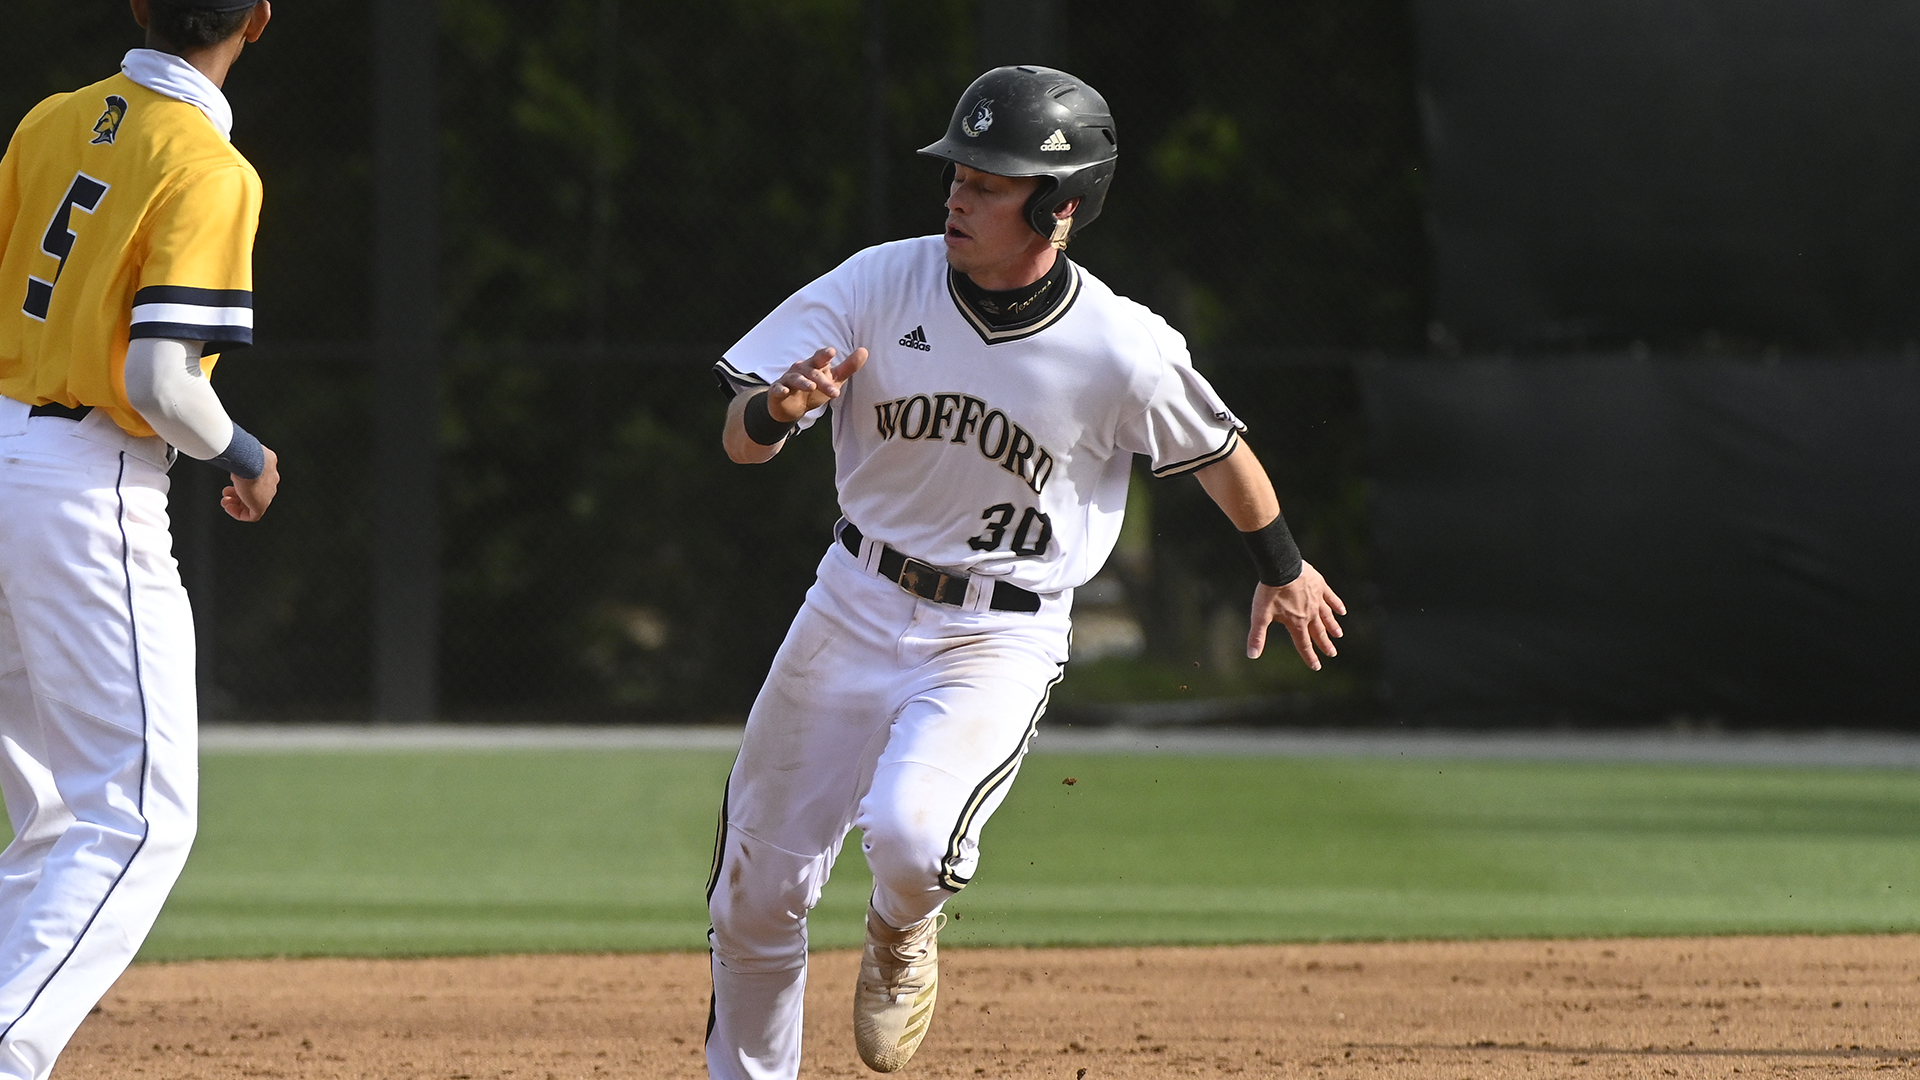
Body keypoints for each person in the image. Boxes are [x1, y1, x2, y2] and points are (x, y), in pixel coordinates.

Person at [703, 65, 1345, 1079]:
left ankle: (901, 930)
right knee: (753, 897)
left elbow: (1219, 451)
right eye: (957, 173)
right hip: (851, 601)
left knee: (914, 841)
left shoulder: (1119, 347)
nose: (958, 194)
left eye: (989, 182)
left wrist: (1286, 569)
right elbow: (740, 440)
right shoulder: (879, 283)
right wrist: (776, 412)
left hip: (996, 633)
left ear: (1060, 205)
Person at [0, 1, 278, 1076]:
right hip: (80, 486)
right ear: (257, 20)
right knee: (134, 816)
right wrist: (244, 452)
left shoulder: (51, 120)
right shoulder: (208, 166)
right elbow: (158, 379)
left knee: (54, 810)